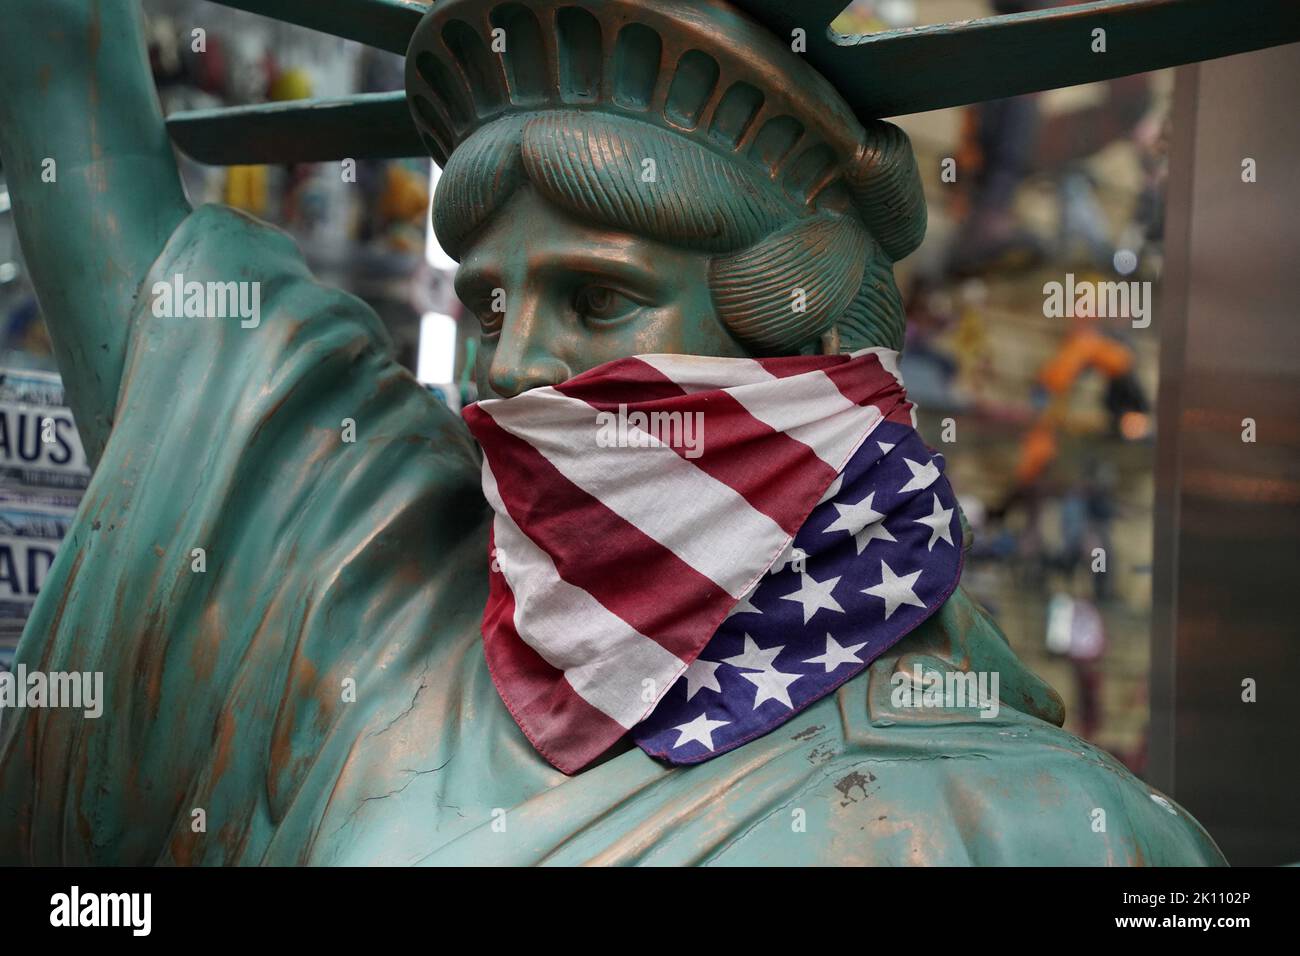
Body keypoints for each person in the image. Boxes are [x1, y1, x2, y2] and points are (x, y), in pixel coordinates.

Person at [0, 0, 1223, 865]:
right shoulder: (371, 609)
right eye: (484, 299)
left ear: (787, 335)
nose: (514, 358)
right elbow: (79, 127)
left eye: (594, 295)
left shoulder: (1050, 831)